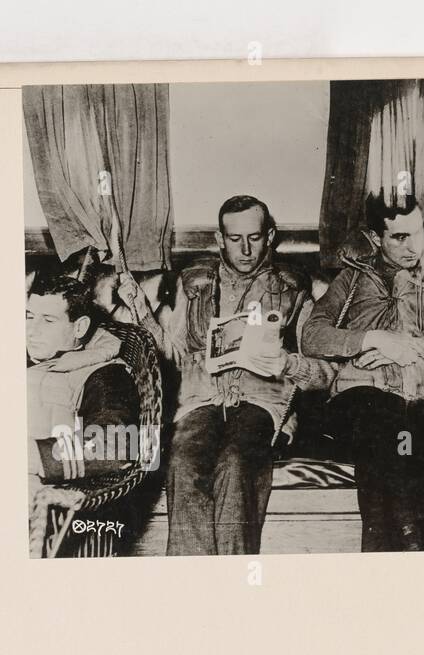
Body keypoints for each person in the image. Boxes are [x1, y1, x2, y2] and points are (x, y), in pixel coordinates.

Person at [118, 194, 330, 555]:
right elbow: (173, 354)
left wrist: (286, 363)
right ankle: (192, 583)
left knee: (235, 460)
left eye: (255, 237)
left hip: (261, 401)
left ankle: (233, 575)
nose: (246, 249)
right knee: (183, 460)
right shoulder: (194, 284)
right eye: (235, 239)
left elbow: (324, 374)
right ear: (220, 240)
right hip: (200, 401)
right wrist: (141, 310)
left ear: (271, 235)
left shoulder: (294, 290)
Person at [298, 192, 424, 551]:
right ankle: (411, 544)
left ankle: (380, 549)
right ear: (375, 239)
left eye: (418, 233)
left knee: (399, 431)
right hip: (361, 402)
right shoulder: (352, 281)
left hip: (422, 402)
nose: (413, 246)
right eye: (399, 237)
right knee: (382, 417)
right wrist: (375, 339)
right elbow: (312, 336)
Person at [26, 276, 139, 493]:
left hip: (43, 493)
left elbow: (117, 445)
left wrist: (35, 455)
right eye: (29, 317)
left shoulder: (103, 374)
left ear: (80, 327)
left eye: (48, 320)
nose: (31, 330)